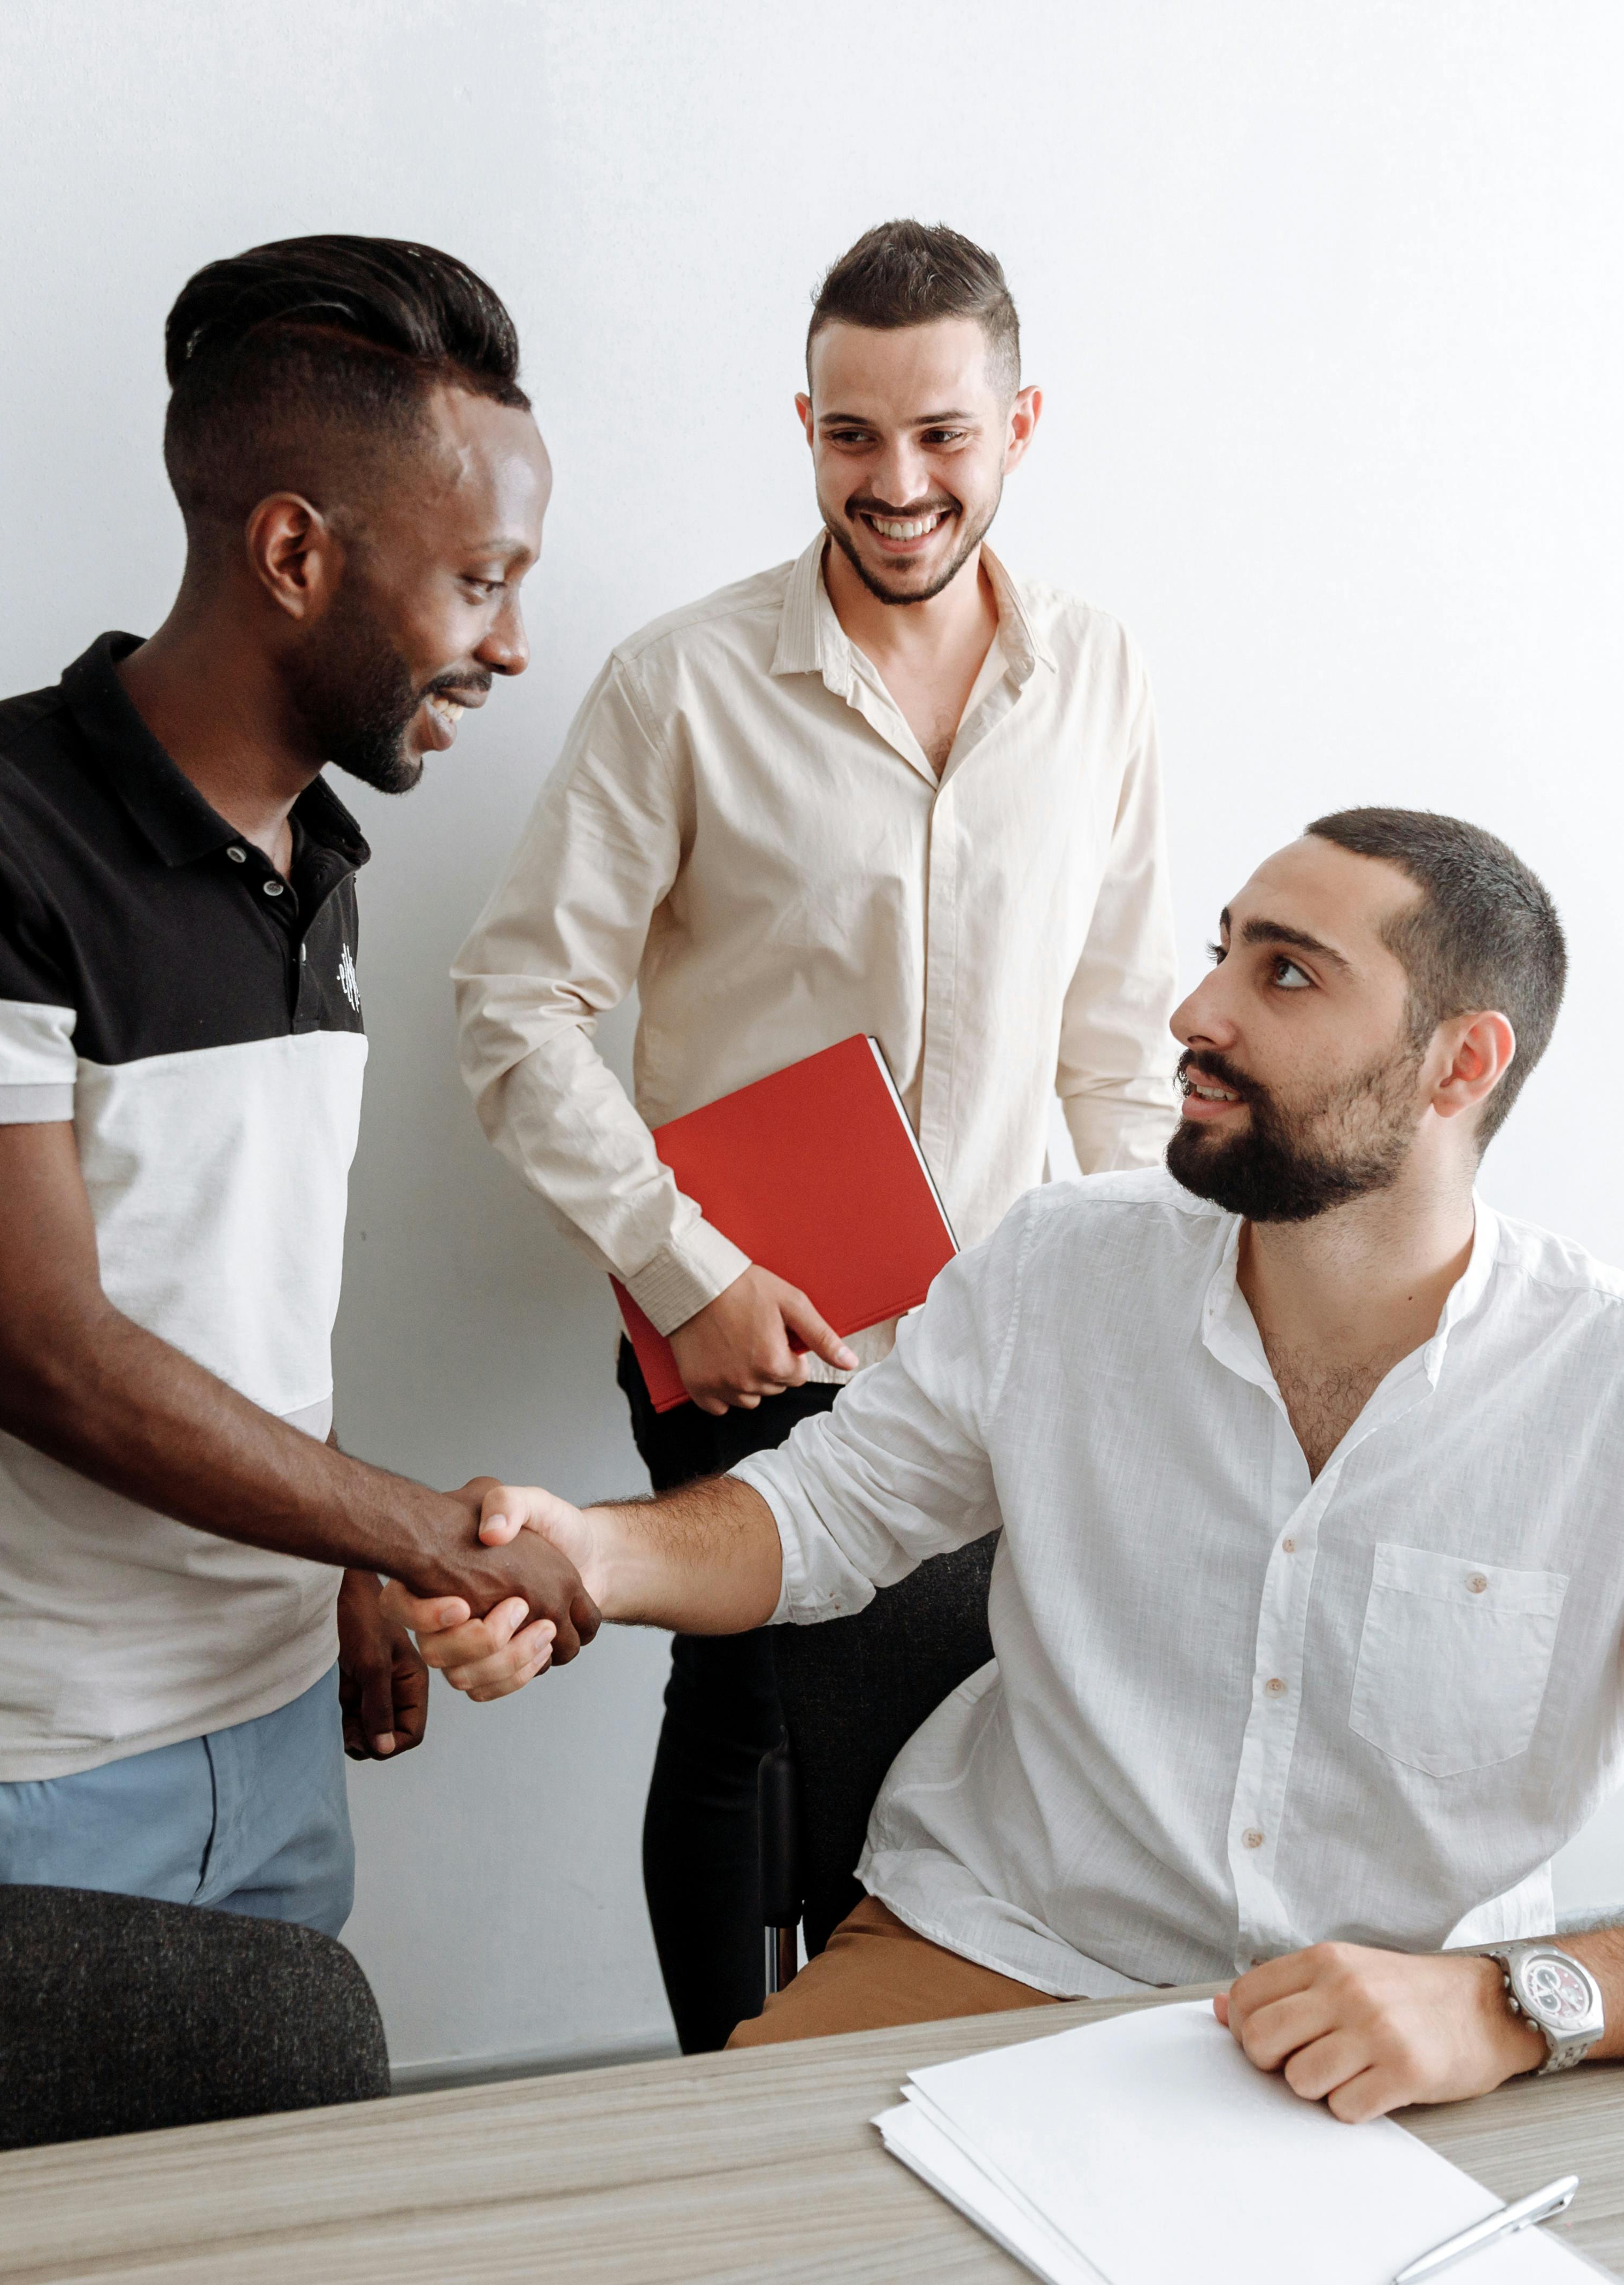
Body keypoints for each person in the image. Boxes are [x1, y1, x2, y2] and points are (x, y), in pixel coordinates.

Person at [425, 809, 1624, 2114]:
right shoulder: (1057, 1265)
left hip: (1393, 2038)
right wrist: (594, 1551)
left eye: (1287, 972)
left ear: (1460, 1065)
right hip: (994, 1949)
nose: (1196, 1011)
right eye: (1222, 949)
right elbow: (826, 1513)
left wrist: (1510, 2004)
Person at [0, 236, 596, 1937]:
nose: (513, 645)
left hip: (272, 1736)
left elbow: (220, 1296)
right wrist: (418, 1530)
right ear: (293, 552)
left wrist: (341, 1552)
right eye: (479, 580)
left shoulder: (317, 862)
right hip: (2, 1774)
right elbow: (50, 1354)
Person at [450, 220, 1182, 2052]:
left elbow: (1116, 1043)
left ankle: (920, 2062)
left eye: (941, 435)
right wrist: (678, 1263)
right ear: (803, 425)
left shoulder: (1098, 675)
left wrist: (1154, 1306)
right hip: (745, 1321)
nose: (897, 482)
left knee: (977, 1701)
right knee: (752, 1702)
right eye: (852, 435)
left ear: (1020, 425)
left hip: (1011, 1315)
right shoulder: (679, 683)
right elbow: (513, 1004)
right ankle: (730, 2097)